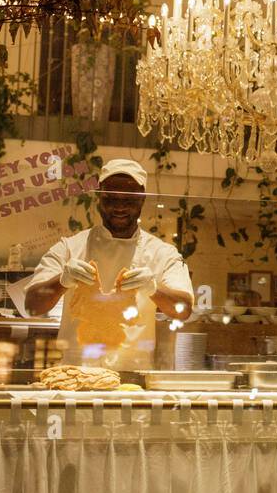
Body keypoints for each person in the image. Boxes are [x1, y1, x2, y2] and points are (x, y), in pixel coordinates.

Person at [25, 158, 193, 369]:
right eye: (111, 198)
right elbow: (32, 306)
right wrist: (62, 281)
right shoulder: (69, 248)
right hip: (77, 372)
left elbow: (184, 309)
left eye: (129, 200)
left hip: (133, 373)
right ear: (99, 198)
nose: (119, 207)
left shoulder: (162, 253)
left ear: (142, 199)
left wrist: (153, 288)